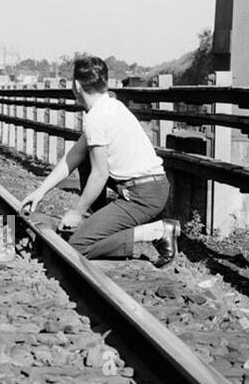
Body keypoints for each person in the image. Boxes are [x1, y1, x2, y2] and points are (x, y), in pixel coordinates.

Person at [19, 55, 179, 266]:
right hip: (149, 187)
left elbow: (100, 174)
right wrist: (40, 192)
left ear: (76, 85)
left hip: (144, 195)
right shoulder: (111, 105)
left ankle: (157, 231)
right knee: (85, 157)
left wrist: (77, 212)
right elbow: (74, 155)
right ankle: (100, 223)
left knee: (76, 246)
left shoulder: (96, 119)